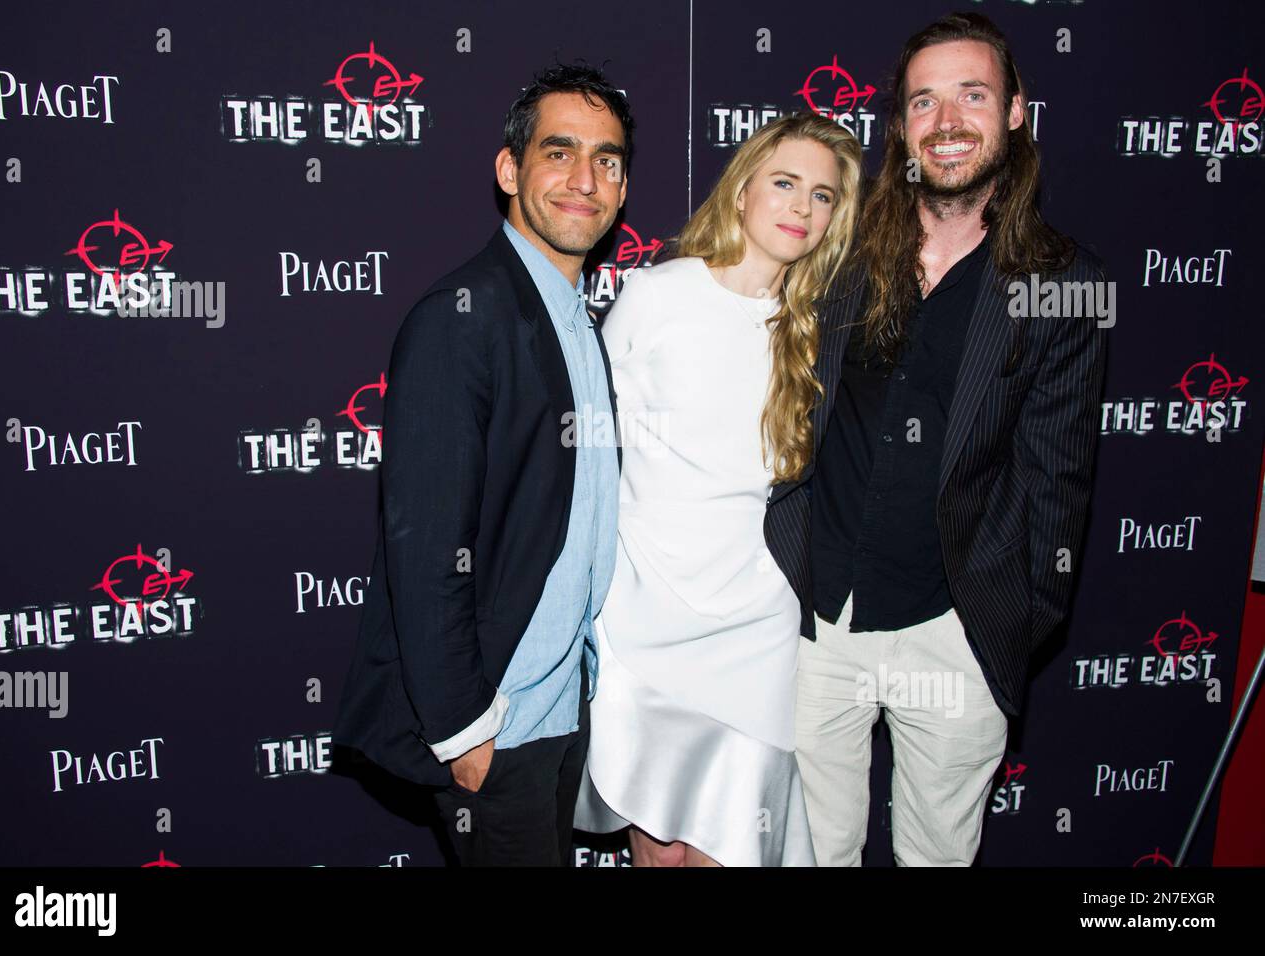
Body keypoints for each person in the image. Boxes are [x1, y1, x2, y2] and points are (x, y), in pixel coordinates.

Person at [764, 12, 1109, 866]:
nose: (948, 121)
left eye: (973, 95)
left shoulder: (1064, 285)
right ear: (902, 124)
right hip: (816, 624)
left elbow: (1057, 477)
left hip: (954, 632)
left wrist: (1016, 622)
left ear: (1017, 111)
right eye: (925, 100)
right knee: (810, 856)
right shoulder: (839, 248)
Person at [331, 63, 631, 866]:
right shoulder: (460, 319)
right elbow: (425, 545)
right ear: (510, 169)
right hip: (499, 721)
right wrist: (465, 728)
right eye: (559, 153)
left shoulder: (578, 319)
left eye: (607, 160)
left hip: (566, 703)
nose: (584, 179)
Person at [573, 113, 863, 866]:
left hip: (754, 625)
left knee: (732, 844)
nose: (803, 207)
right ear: (741, 192)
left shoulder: (820, 328)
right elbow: (591, 460)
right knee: (656, 847)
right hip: (644, 613)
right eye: (786, 184)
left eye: (824, 196)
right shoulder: (655, 297)